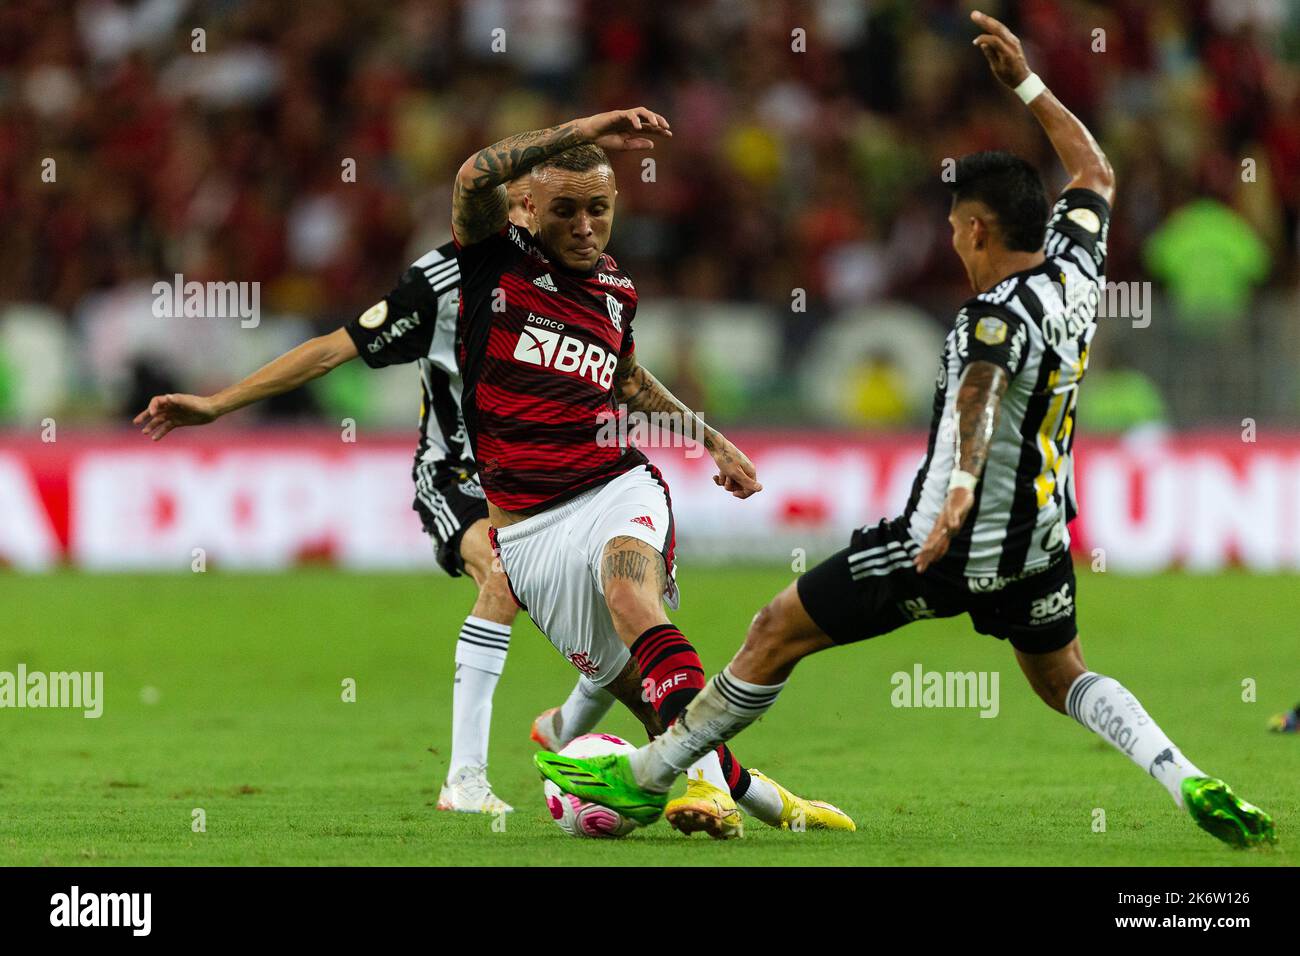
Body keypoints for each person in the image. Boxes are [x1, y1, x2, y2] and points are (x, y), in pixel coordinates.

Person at [534, 11, 1276, 850]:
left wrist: (958, 490)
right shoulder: (1075, 269)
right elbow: (1095, 169)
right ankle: (1187, 778)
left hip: (941, 541)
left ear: (980, 230)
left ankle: (646, 777)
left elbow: (982, 391)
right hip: (1038, 543)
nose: (955, 241)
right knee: (1062, 675)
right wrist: (1026, 82)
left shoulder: (987, 316)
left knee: (776, 630)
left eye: (959, 228)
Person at [134, 181, 616, 815]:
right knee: (503, 576)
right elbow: (332, 350)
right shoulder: (443, 281)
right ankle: (464, 780)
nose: (564, 221)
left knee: (619, 601)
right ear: (511, 211)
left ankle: (567, 724)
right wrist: (218, 404)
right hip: (459, 475)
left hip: (552, 475)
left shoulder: (592, 276)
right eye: (528, 203)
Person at [450, 107, 853, 838]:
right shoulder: (495, 262)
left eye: (598, 209)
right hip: (530, 533)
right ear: (528, 208)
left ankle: (702, 797)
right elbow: (475, 171)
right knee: (658, 708)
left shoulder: (615, 291)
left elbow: (627, 381)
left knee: (632, 596)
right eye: (564, 210)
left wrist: (713, 441)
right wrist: (588, 129)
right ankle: (766, 800)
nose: (583, 227)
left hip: (614, 487)